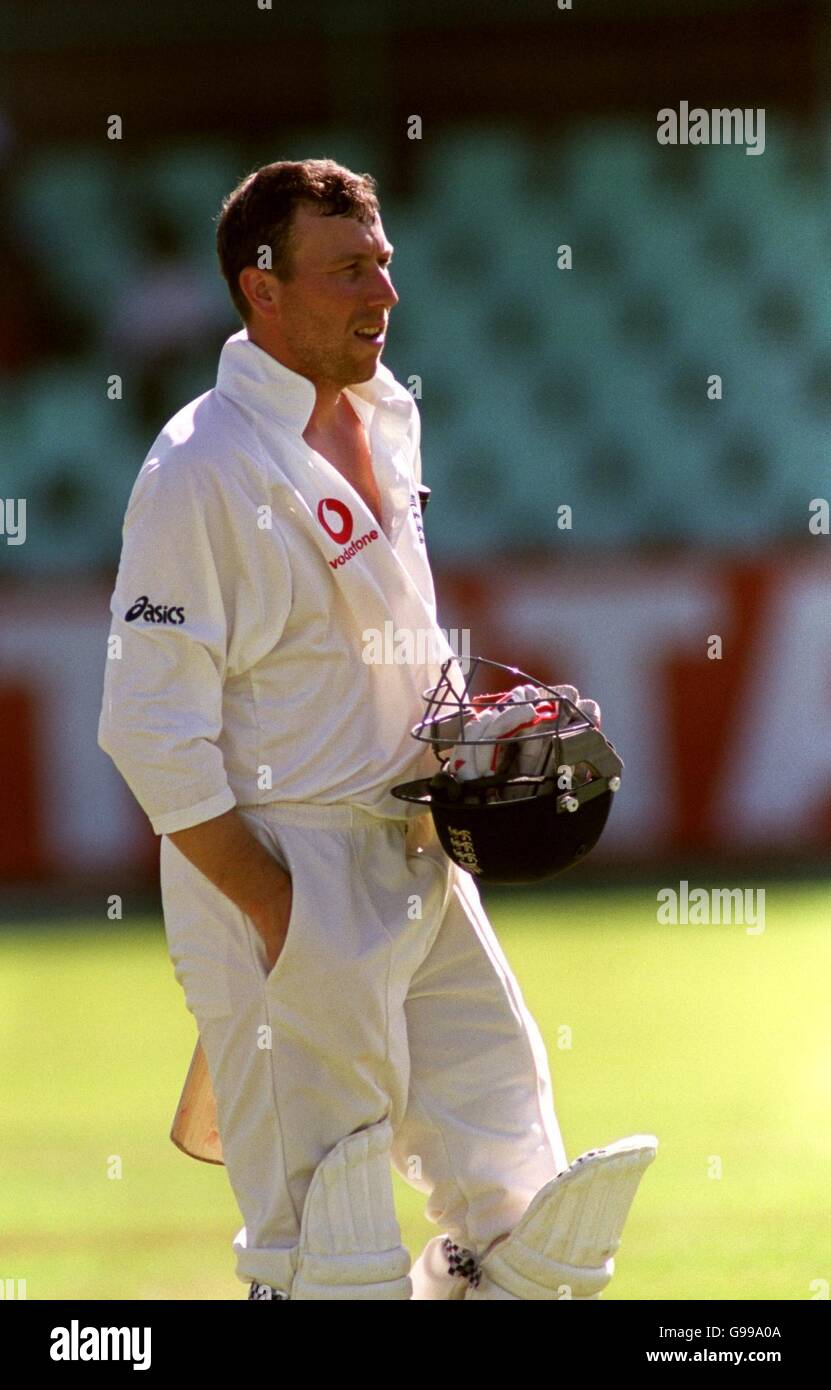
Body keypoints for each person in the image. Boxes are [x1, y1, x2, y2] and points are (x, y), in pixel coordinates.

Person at [98, 158, 655, 1301]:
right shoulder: (200, 466)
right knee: (324, 1246)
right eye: (349, 270)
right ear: (262, 288)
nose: (385, 292)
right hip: (283, 862)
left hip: (417, 854)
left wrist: (457, 730)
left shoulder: (385, 413)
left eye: (386, 264)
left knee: (528, 1210)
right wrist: (274, 907)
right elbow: (146, 728)